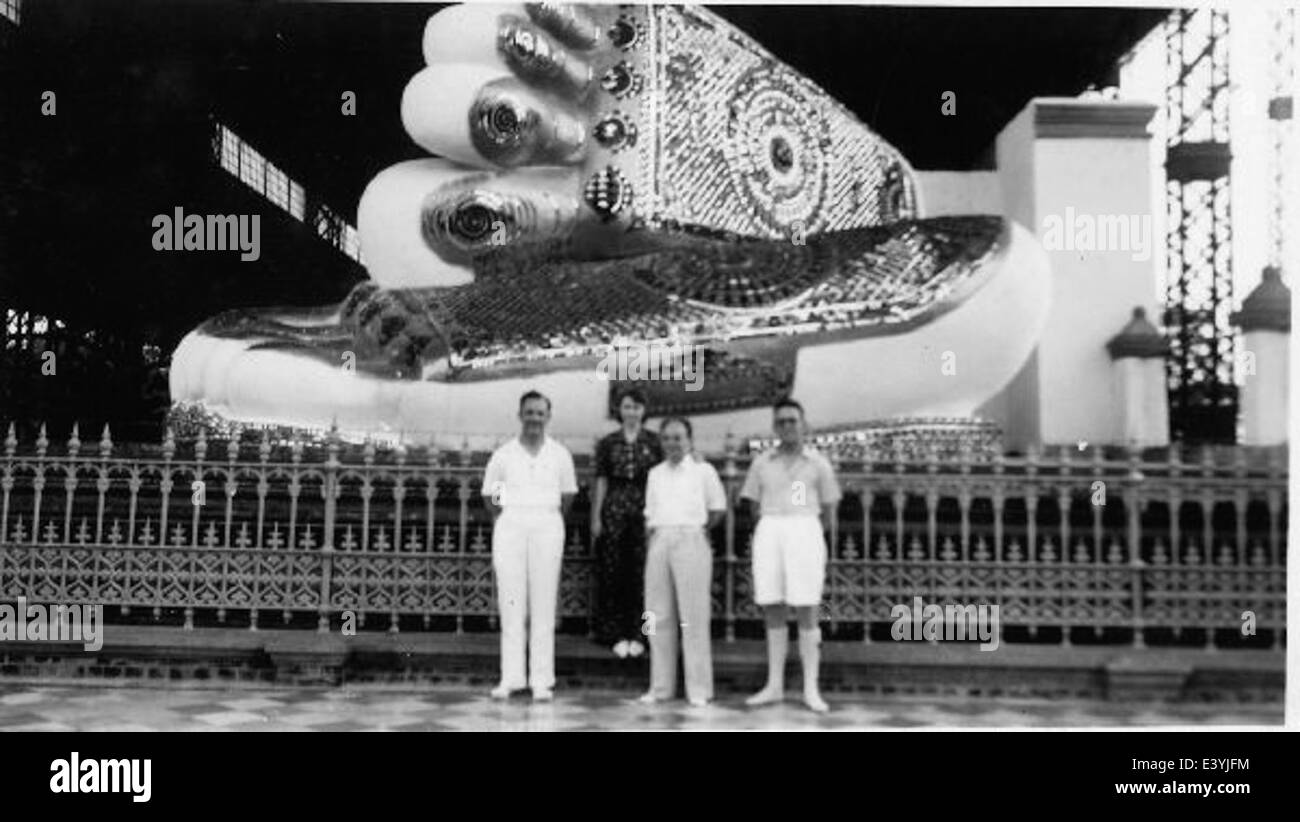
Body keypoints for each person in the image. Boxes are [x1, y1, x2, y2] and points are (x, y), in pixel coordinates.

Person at [738, 398, 842, 713]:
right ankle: (774, 685)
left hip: (805, 530)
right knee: (773, 606)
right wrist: (774, 527)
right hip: (770, 530)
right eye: (781, 422)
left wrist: (803, 530)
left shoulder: (818, 463)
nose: (786, 426)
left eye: (792, 421)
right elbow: (753, 505)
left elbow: (828, 509)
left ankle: (811, 687)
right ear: (774, 426)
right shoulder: (762, 462)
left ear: (803, 423)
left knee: (808, 607)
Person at [481, 390, 578, 702]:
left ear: (548, 417)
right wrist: (511, 518)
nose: (534, 418)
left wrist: (544, 518)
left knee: (543, 602)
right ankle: (511, 678)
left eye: (540, 413)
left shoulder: (560, 454)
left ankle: (541, 679)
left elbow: (567, 496)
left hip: (547, 526)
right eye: (529, 412)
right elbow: (491, 497)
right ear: (520, 414)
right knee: (511, 603)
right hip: (511, 526)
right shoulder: (504, 454)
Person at [639, 416, 727, 707]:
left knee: (693, 617)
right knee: (656, 615)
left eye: (678, 438)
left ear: (689, 440)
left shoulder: (704, 472)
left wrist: (690, 532)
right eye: (667, 438)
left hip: (691, 539)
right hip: (660, 539)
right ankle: (660, 687)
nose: (673, 444)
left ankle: (698, 690)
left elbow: (716, 511)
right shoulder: (655, 474)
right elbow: (650, 513)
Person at [590, 388, 663, 658]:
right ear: (619, 411)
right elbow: (601, 480)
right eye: (627, 407)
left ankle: (641, 634)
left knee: (643, 575)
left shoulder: (654, 442)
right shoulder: (608, 443)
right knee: (613, 573)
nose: (632, 412)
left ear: (644, 411)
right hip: (615, 510)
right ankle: (614, 634)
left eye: (636, 407)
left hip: (645, 510)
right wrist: (596, 516)